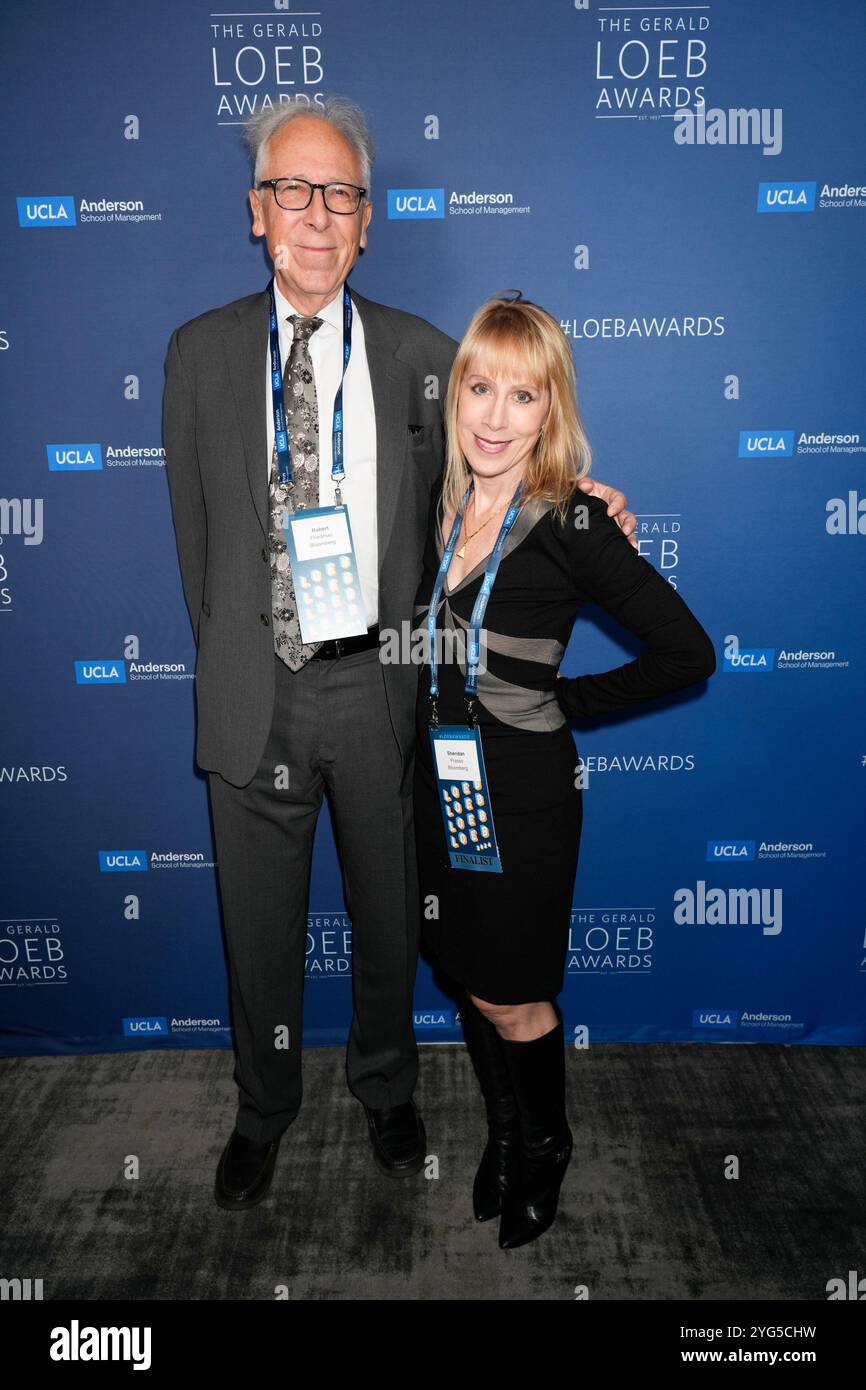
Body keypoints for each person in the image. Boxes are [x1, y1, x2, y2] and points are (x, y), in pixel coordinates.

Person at [162, 96, 637, 1212]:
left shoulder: (428, 357)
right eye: (291, 190)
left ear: (366, 221)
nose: (315, 217)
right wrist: (243, 652)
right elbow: (197, 545)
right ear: (255, 212)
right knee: (258, 930)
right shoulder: (195, 355)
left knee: (393, 918)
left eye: (339, 196)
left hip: (384, 694)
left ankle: (385, 1088)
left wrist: (579, 503)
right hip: (253, 691)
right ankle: (261, 1107)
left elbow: (498, 467)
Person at [412, 294, 716, 1249]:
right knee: (466, 975)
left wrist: (564, 706)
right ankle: (504, 1139)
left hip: (525, 792)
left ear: (553, 410)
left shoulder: (573, 521)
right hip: (442, 780)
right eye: (480, 387)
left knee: (513, 991)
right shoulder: (443, 493)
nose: (496, 417)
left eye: (523, 396)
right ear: (456, 392)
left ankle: (545, 1147)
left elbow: (687, 654)